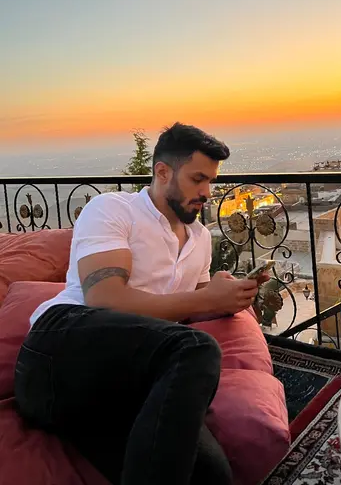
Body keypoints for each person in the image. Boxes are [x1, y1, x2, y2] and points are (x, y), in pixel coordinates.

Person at [14, 123, 268, 485]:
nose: (207, 192)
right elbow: (104, 298)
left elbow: (193, 306)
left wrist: (228, 298)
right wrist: (205, 297)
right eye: (197, 179)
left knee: (213, 476)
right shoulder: (113, 209)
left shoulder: (199, 238)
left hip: (123, 380)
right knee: (196, 348)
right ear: (163, 172)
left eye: (211, 181)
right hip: (60, 352)